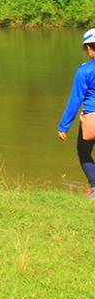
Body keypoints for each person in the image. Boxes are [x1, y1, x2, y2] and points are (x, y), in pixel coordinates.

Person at [56, 28, 95, 199]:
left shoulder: (84, 71)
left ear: (88, 48)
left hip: (92, 119)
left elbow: (75, 100)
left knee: (84, 152)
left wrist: (64, 126)